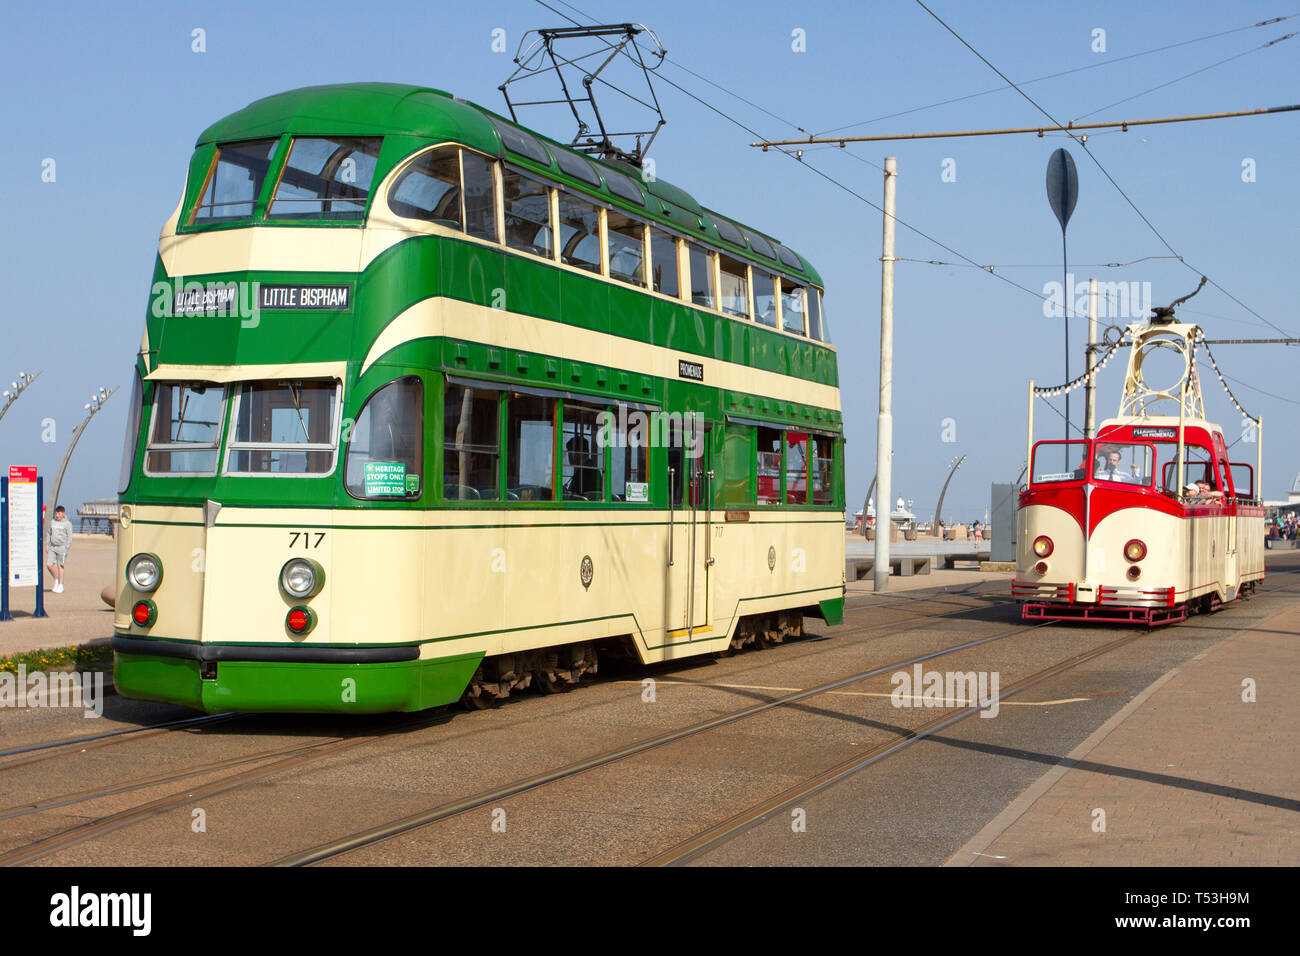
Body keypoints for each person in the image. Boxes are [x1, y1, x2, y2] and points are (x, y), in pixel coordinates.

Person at [46, 505, 73, 594]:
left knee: (60, 566)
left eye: (59, 513)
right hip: (52, 547)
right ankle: (56, 579)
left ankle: (61, 585)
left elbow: (69, 537)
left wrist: (66, 547)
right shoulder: (52, 522)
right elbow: (49, 533)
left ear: (63, 513)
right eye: (56, 513)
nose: (57, 515)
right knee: (49, 565)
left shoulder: (67, 524)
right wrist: (47, 544)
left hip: (62, 547)